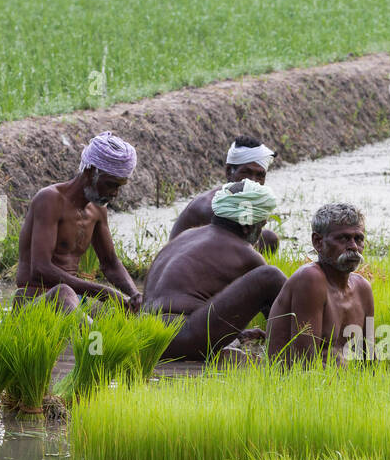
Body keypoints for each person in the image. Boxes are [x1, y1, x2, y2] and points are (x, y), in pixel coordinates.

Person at [143, 179, 286, 361]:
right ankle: (310, 347)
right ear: (247, 226)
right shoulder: (246, 254)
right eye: (261, 225)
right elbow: (278, 304)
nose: (260, 233)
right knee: (270, 276)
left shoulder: (188, 235)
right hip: (179, 336)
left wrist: (234, 333)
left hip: (148, 331)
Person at [13, 131, 143, 313]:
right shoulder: (50, 200)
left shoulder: (98, 210)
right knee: (62, 292)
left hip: (75, 301)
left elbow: (110, 263)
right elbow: (40, 268)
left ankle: (91, 335)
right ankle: (87, 335)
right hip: (35, 301)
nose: (115, 194)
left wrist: (134, 293)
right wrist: (103, 291)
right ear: (90, 172)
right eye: (111, 184)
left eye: (119, 187)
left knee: (124, 312)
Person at [266, 203, 372, 367]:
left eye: (358, 239)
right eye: (343, 238)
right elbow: (305, 365)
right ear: (318, 242)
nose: (353, 247)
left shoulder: (363, 288)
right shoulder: (310, 279)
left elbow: (369, 360)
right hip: (296, 387)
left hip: (341, 385)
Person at [169, 136, 280, 254]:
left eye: (260, 176)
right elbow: (231, 249)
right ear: (228, 172)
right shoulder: (213, 207)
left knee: (269, 239)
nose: (252, 181)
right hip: (188, 261)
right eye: (246, 173)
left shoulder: (239, 200)